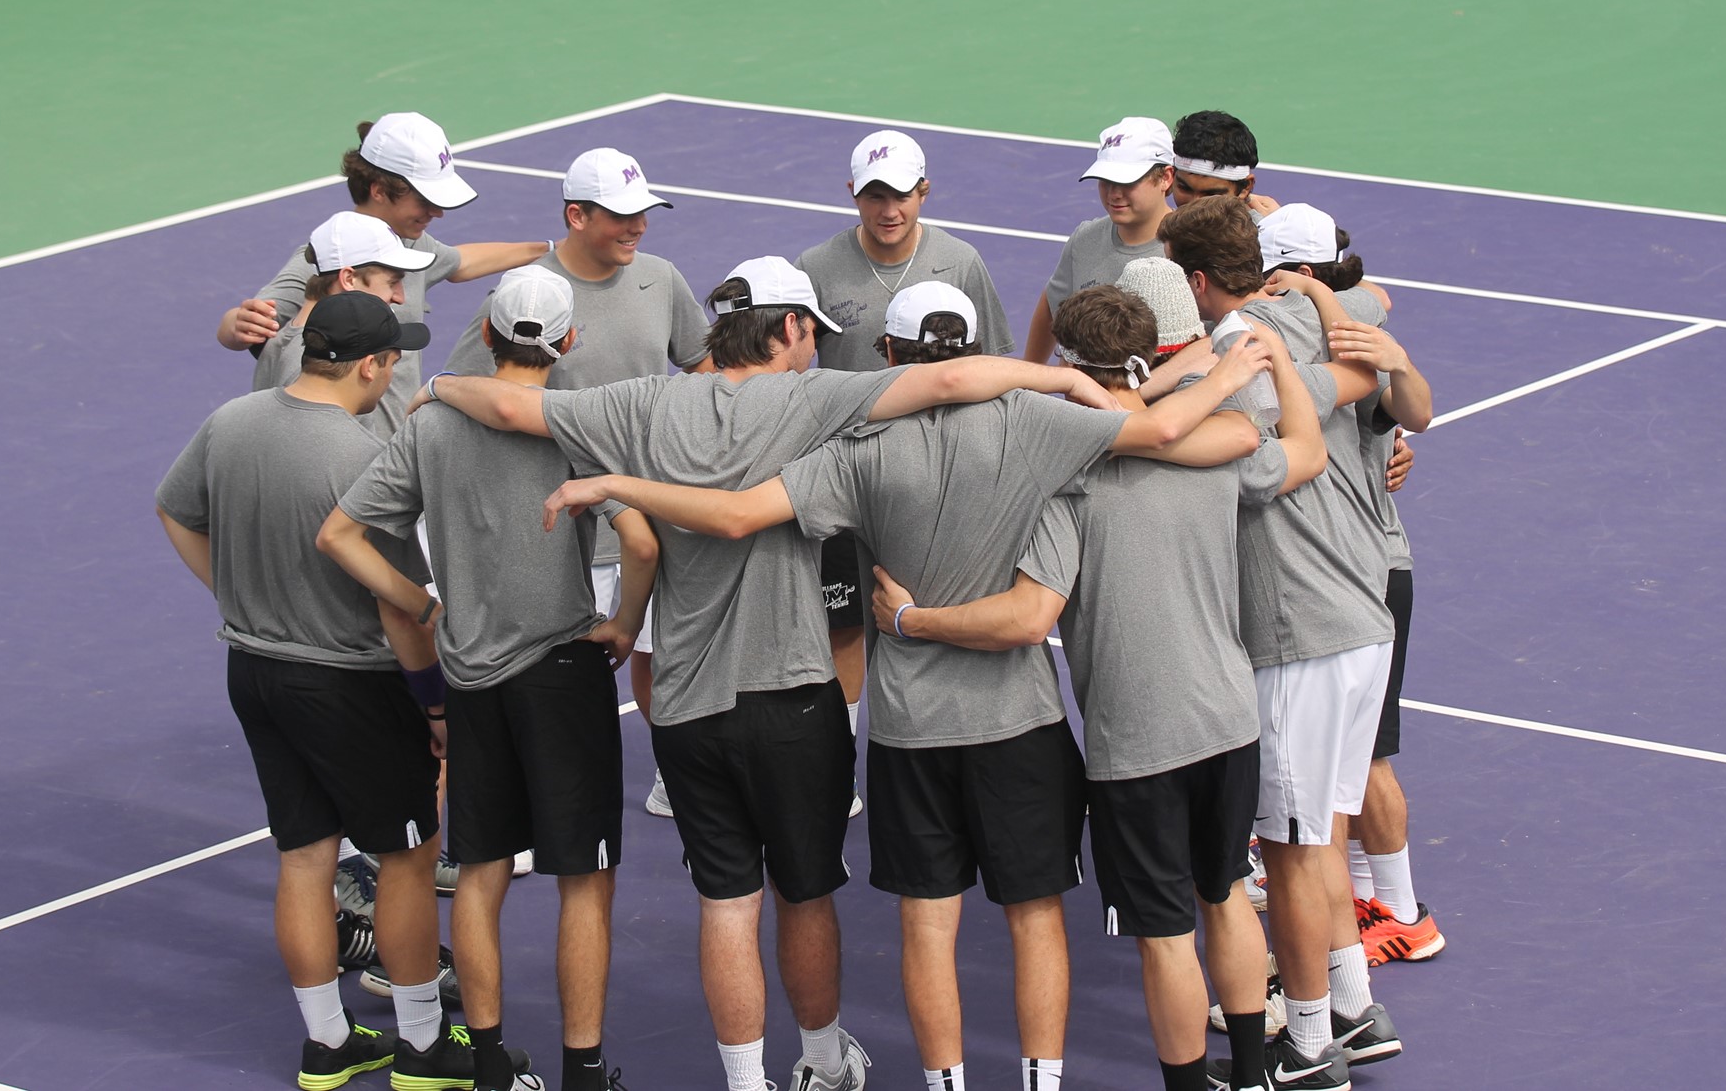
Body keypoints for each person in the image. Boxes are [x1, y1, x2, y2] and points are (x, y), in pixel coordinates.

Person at [416, 256, 1134, 1091]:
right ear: (789, 327)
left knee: (727, 902)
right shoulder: (811, 400)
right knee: (805, 892)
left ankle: (746, 1082)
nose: (815, 348)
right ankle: (823, 1061)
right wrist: (1065, 380)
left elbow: (509, 405)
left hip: (686, 702)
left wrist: (436, 385)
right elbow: (948, 382)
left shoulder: (640, 403)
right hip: (795, 695)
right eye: (810, 334)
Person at [536, 281, 1270, 1091]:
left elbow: (736, 513)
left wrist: (618, 484)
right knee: (1035, 917)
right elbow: (1159, 430)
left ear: (887, 352)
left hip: (910, 731)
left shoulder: (855, 449)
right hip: (1020, 722)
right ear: (980, 350)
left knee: (927, 924)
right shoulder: (1039, 426)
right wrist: (1220, 372)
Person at [869, 283, 1326, 1091]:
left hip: (1135, 741)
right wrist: (1274, 366)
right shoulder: (1222, 443)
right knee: (1225, 893)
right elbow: (1307, 451)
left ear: (1071, 366)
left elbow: (1029, 615)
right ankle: (1254, 1077)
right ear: (1151, 353)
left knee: (1166, 934)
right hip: (1229, 718)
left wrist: (911, 620)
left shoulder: (1064, 479)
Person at [155, 293, 529, 1091]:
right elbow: (401, 607)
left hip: (254, 669)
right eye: (392, 360)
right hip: (350, 684)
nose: (392, 374)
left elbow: (175, 510)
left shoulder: (231, 421)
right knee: (407, 856)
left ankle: (327, 1042)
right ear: (369, 366)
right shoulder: (366, 456)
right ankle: (423, 1045)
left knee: (304, 854)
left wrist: (234, 593)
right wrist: (436, 704)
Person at [321, 268, 654, 1091]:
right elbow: (643, 541)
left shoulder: (429, 426)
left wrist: (421, 603)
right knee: (585, 879)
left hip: (471, 676)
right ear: (567, 340)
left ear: (490, 332)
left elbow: (341, 534)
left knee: (480, 872)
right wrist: (624, 622)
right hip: (564, 673)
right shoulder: (579, 422)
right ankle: (584, 1072)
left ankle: (493, 1069)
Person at [1157, 198, 1431, 1089]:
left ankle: (1309, 1045)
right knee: (1321, 837)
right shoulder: (1336, 324)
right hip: (1360, 621)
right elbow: (1371, 304)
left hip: (1298, 633)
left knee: (1291, 850)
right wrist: (1322, 301)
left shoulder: (1243, 362)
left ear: (1201, 280)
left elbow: (1180, 423)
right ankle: (1353, 1006)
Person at [439, 147, 709, 823]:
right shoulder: (524, 295)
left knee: (665, 654)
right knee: (549, 686)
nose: (637, 227)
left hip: (651, 516)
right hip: (563, 533)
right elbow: (476, 390)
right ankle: (524, 816)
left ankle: (673, 774)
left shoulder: (661, 278)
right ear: (576, 215)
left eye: (643, 213)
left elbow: (703, 371)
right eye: (620, 215)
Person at [795, 131, 1019, 811]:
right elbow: (796, 368)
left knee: (934, 611)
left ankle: (951, 753)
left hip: (945, 476)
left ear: (924, 192)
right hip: (851, 478)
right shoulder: (816, 267)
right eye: (873, 195)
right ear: (852, 194)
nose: (887, 209)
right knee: (843, 625)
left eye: (900, 195)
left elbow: (994, 362)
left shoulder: (961, 261)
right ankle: (842, 768)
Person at [1257, 207, 1445, 966]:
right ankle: (1365, 900)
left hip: (1360, 576)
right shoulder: (1345, 326)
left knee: (1362, 764)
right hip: (1351, 574)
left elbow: (1417, 412)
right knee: (1344, 774)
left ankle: (1401, 912)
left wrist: (1393, 360)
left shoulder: (1347, 343)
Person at [216, 113, 552, 427]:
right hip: (343, 448)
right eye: (425, 200)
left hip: (389, 449)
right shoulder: (324, 262)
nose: (437, 212)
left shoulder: (412, 245)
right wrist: (236, 324)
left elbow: (458, 262)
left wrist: (551, 249)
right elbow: (250, 325)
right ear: (379, 190)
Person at [251, 212, 439, 437]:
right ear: (349, 279)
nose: (400, 297)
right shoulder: (321, 365)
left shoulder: (295, 346)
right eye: (392, 282)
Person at [1021, 117, 1178, 364]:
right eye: (1106, 181)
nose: (1114, 194)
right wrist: (1030, 376)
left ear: (1165, 178)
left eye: (1127, 181)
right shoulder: (1085, 238)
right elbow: (1051, 307)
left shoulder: (1189, 249)